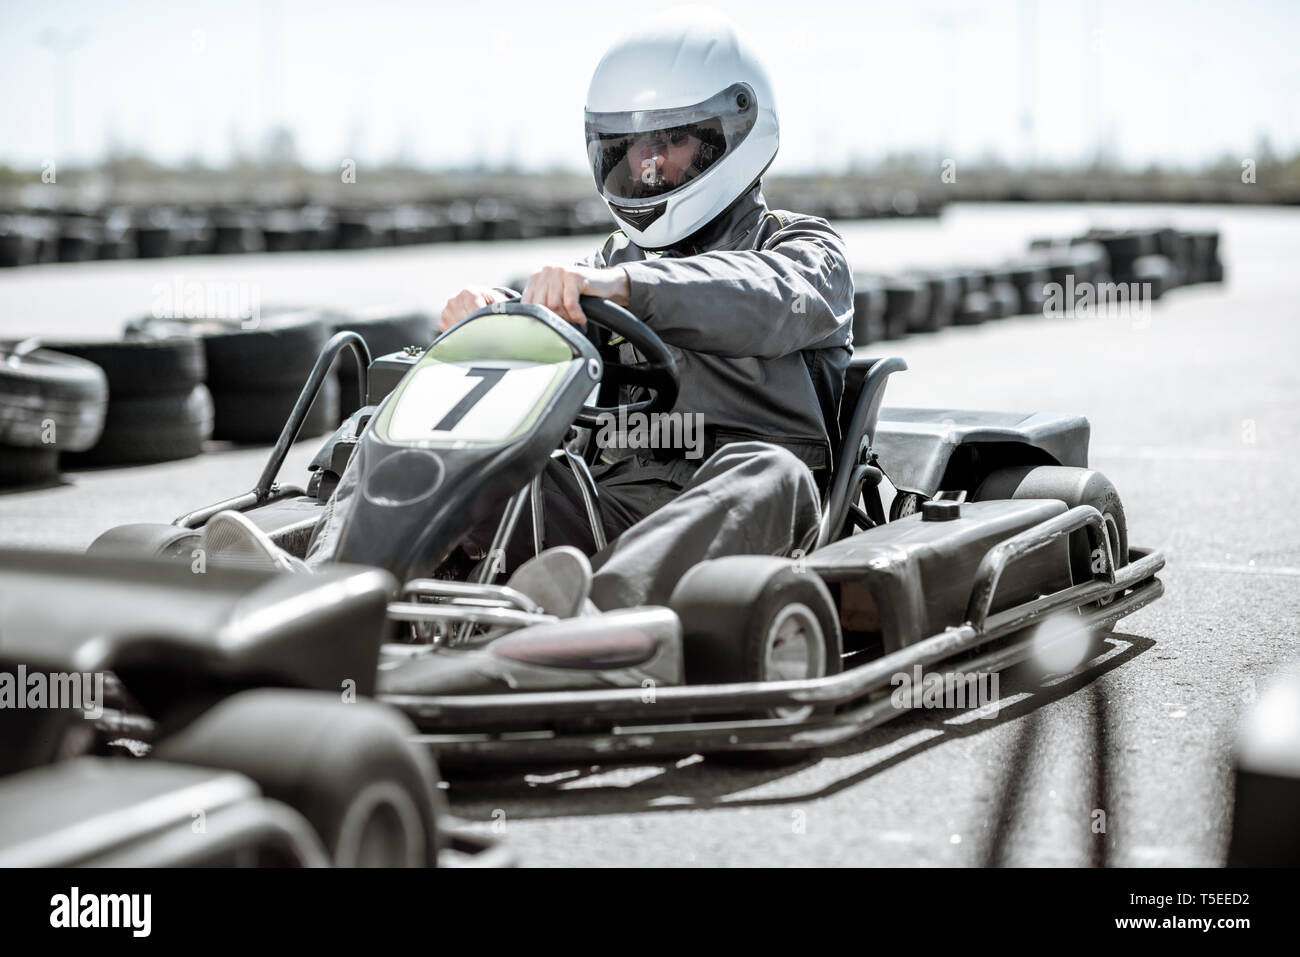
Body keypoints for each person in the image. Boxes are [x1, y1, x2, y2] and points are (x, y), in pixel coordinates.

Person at [204, 8, 854, 618]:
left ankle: (593, 624)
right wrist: (495, 317)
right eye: (631, 145)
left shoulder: (800, 248)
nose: (647, 164)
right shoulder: (606, 262)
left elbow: (760, 294)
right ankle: (326, 592)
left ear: (730, 134)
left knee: (771, 472)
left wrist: (625, 285)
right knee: (413, 428)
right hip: (605, 502)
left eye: (673, 140)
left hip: (733, 509)